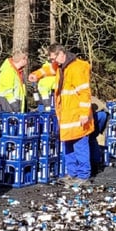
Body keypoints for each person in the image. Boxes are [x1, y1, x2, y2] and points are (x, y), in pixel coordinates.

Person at [31, 44, 94, 184]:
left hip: (77, 115)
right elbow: (49, 69)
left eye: (54, 58)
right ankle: (72, 173)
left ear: (61, 54)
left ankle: (83, 175)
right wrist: (37, 74)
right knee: (69, 146)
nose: (54, 61)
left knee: (80, 146)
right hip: (67, 115)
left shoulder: (77, 68)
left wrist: (84, 113)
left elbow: (84, 92)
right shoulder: (61, 66)